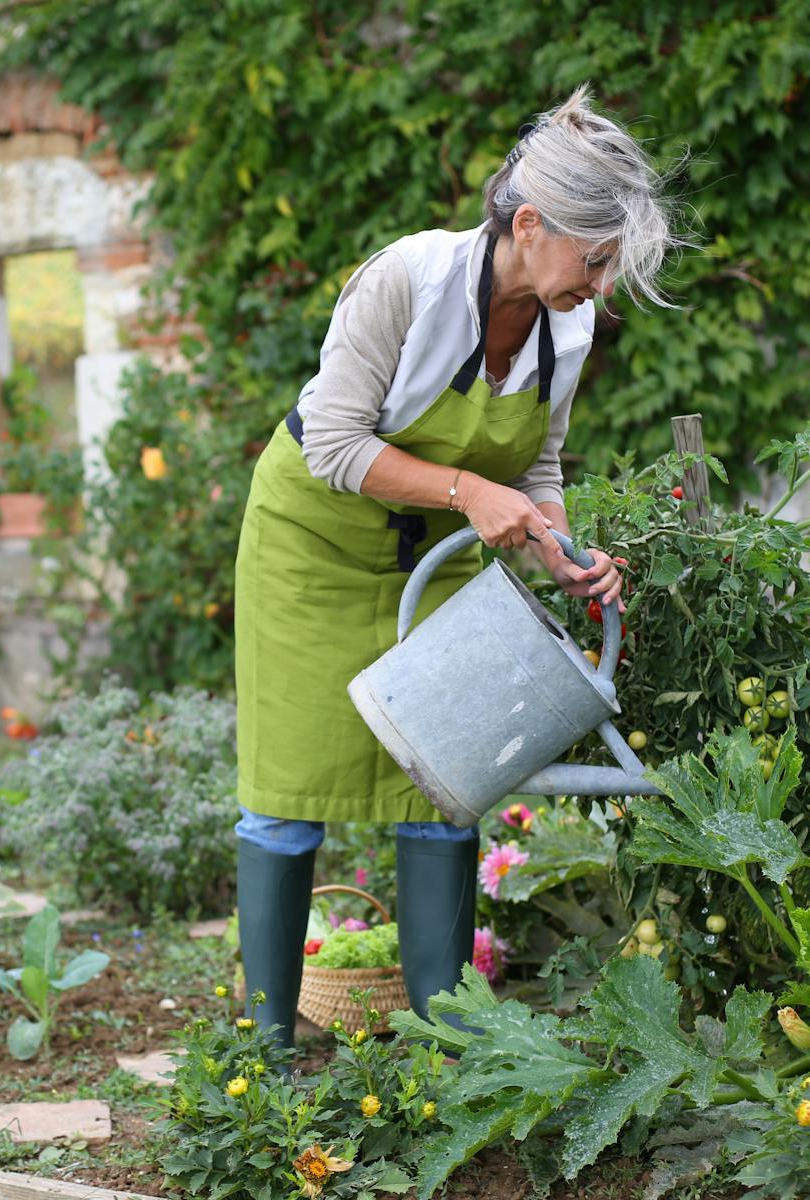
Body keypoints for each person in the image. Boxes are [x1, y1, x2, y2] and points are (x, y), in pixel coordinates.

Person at [233, 84, 683, 1048]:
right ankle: (263, 1052)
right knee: (286, 797)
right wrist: (473, 497)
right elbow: (335, 445)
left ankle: (445, 1042)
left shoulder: (565, 326)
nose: (600, 287)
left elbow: (538, 464)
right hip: (311, 551)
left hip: (430, 561)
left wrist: (561, 547)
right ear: (530, 225)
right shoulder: (407, 281)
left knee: (446, 780)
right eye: (595, 259)